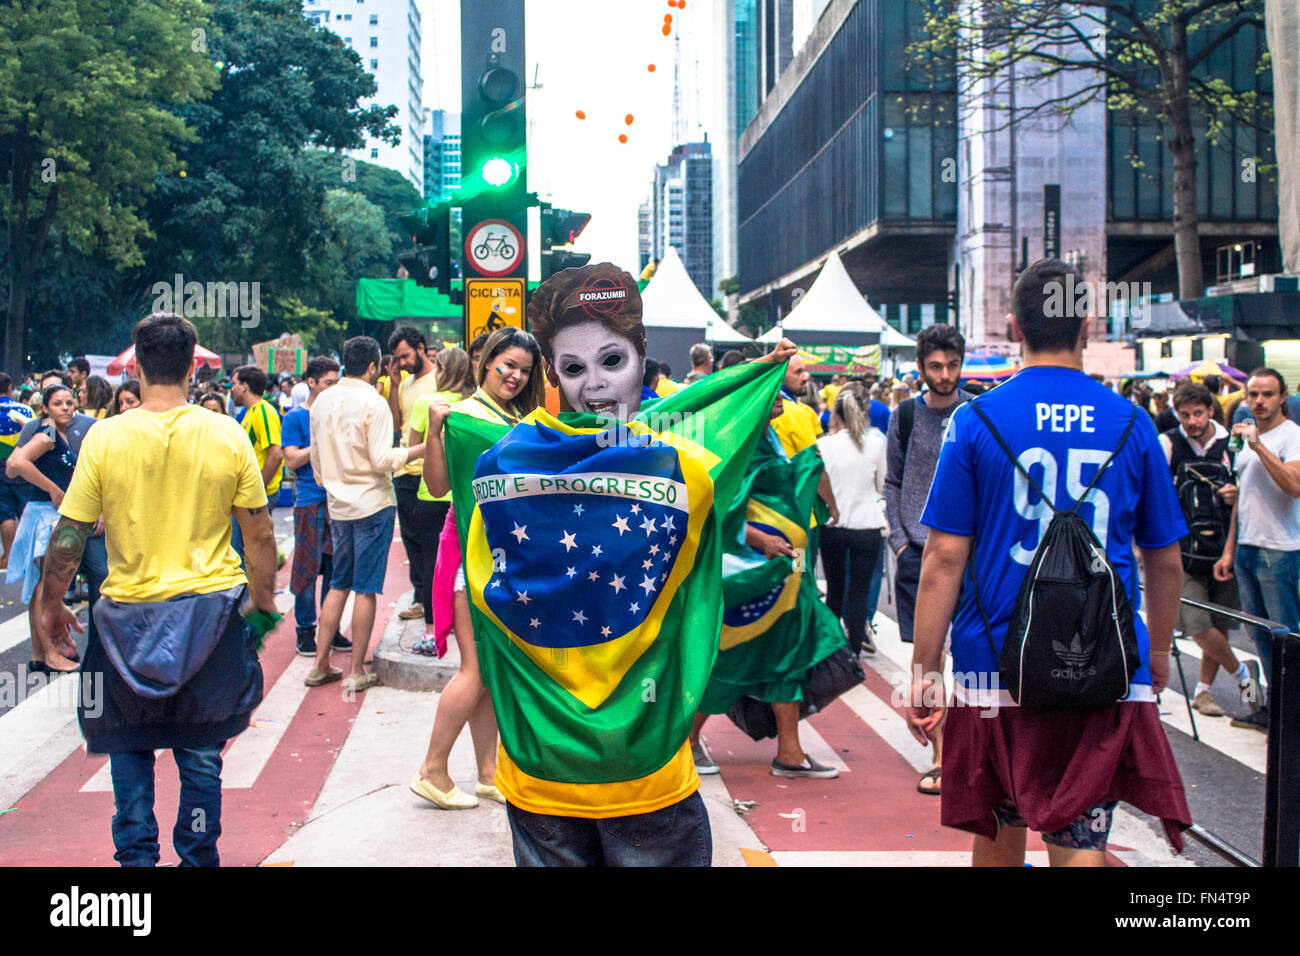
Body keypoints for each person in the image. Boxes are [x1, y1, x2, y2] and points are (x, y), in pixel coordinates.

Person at [435, 264, 791, 865]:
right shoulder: (689, 471)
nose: (594, 386)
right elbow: (701, 442)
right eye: (574, 368)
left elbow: (481, 589)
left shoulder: (495, 465)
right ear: (552, 374)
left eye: (611, 362)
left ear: (641, 360)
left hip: (542, 772)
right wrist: (752, 386)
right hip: (645, 771)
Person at [908, 259, 1191, 866]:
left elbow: (943, 559)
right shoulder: (1134, 424)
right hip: (1103, 661)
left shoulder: (975, 420)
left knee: (997, 835)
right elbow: (1165, 560)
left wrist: (925, 669)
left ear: (1015, 327)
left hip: (994, 663)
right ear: (1086, 327)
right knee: (1081, 836)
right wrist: (1159, 652)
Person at [38, 313, 276, 867]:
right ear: (194, 367)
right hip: (211, 622)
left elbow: (70, 535)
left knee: (128, 750)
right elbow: (260, 531)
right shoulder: (227, 433)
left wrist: (51, 609)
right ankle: (197, 854)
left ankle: (137, 860)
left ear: (138, 365)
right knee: (200, 757)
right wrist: (263, 604)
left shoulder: (106, 438)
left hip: (126, 624)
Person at [410, 331, 544, 809]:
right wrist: (432, 430)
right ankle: (432, 769)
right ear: (487, 363)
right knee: (474, 670)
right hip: (474, 561)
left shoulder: (515, 418)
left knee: (488, 670)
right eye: (507, 365)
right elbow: (437, 483)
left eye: (524, 370)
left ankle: (488, 771)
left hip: (505, 562)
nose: (514, 376)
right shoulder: (464, 416)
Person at [306, 337, 426, 693]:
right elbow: (382, 460)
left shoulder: (321, 402)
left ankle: (320, 664)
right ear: (374, 366)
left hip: (338, 506)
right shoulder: (374, 402)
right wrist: (420, 446)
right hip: (373, 503)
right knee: (366, 588)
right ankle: (357, 669)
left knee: (338, 584)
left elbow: (316, 462)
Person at [884, 324, 971, 796]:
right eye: (935, 366)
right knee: (927, 657)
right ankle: (939, 754)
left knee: (969, 653)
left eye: (952, 364)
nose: (944, 373)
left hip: (968, 553)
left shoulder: (975, 412)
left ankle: (960, 746)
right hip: (918, 551)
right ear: (920, 368)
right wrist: (900, 542)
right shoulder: (906, 416)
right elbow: (892, 481)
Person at [1158, 380, 1261, 717]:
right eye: (1184, 415)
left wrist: (1236, 493)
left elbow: (1250, 487)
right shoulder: (1169, 443)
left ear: (1211, 411)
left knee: (1219, 625)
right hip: (1183, 551)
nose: (1192, 421)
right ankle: (1243, 674)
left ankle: (1203, 692)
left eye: (1198, 414)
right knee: (1196, 624)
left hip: (1224, 547)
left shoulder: (1231, 442)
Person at [1215, 368, 1300, 732]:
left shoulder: (1291, 436)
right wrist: (1229, 550)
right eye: (1253, 395)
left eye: (1267, 394)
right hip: (1248, 548)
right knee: (1258, 636)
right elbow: (1243, 498)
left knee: (1286, 637)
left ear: (1283, 397)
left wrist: (1259, 447)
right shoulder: (1245, 439)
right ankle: (1270, 709)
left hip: (1280, 550)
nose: (1259, 402)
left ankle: (1290, 713)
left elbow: (1294, 486)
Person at [7, 384, 107, 674]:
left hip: (51, 516)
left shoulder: (57, 433)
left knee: (44, 584)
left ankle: (42, 653)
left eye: (70, 403)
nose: (66, 407)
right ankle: (47, 654)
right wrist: (53, 490)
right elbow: (16, 463)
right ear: (45, 409)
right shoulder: (48, 431)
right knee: (44, 586)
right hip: (45, 516)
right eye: (58, 403)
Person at [405, 346, 477, 650]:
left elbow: (413, 447)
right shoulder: (474, 403)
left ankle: (432, 632)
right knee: (467, 564)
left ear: (443, 370)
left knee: (432, 565)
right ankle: (468, 628)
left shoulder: (427, 402)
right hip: (464, 492)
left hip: (430, 492)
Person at [281, 357, 350, 658]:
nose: (333, 388)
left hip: (337, 500)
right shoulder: (296, 417)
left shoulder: (338, 414)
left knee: (336, 570)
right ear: (311, 382)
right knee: (307, 569)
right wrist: (320, 441)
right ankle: (305, 629)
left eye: (336, 383)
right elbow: (292, 460)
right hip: (309, 501)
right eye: (327, 383)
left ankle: (331, 628)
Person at [818, 383, 887, 656]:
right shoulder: (876, 443)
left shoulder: (824, 444)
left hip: (833, 526)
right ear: (866, 408)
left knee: (834, 590)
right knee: (859, 593)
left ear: (836, 411)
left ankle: (831, 651)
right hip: (867, 525)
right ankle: (854, 654)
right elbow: (881, 485)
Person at [386, 327, 441, 623]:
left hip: (430, 474)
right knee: (411, 540)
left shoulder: (440, 379)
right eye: (398, 358)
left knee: (431, 541)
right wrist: (395, 385)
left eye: (405, 356)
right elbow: (398, 424)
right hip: (404, 473)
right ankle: (421, 597)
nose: (403, 362)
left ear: (421, 347)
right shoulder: (405, 385)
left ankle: (434, 600)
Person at [230, 365, 283, 507]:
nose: (231, 389)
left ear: (244, 386)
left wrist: (259, 488)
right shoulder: (250, 412)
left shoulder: (263, 412)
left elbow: (276, 454)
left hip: (256, 495)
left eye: (234, 384)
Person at [0, 372, 35, 570]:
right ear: (9, 388)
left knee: (4, 514)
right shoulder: (25, 409)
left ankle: (8, 556)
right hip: (23, 465)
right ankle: (27, 556)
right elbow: (44, 432)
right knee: (25, 511)